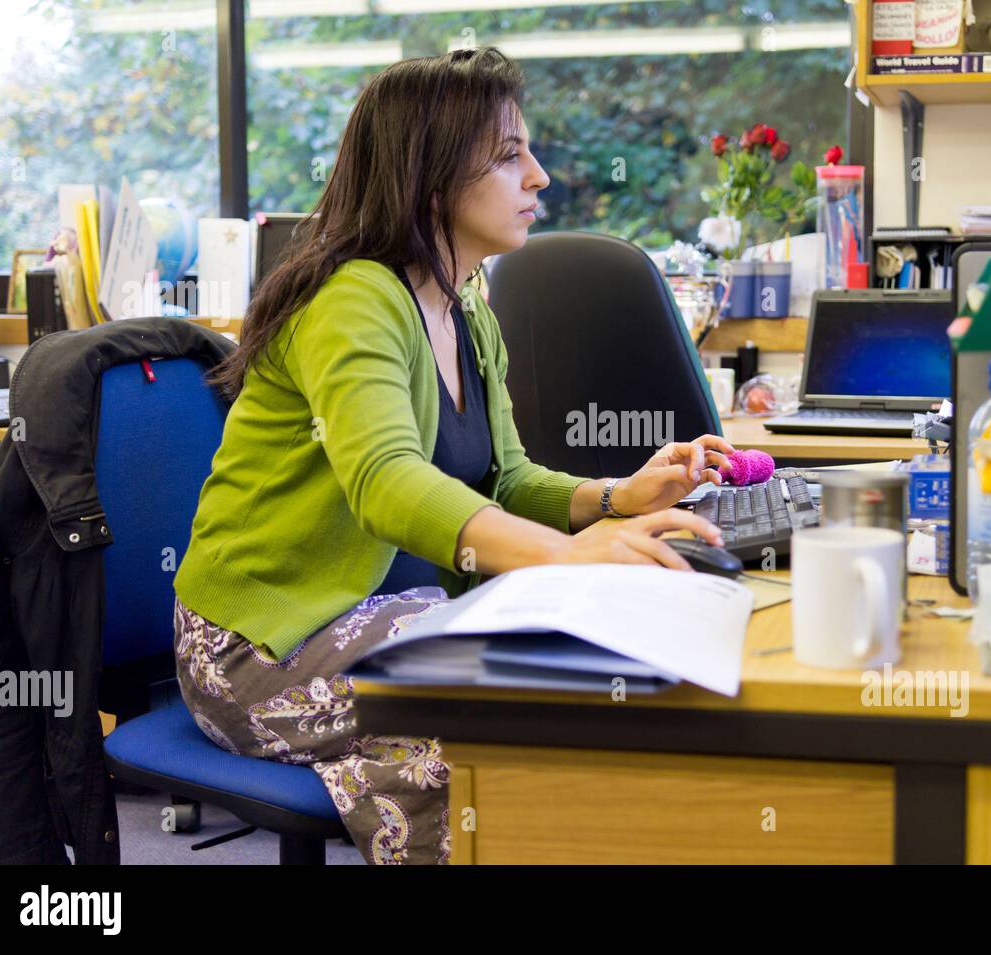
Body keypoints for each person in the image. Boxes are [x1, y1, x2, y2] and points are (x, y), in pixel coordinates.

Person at [172, 47, 733, 865]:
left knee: (524, 697)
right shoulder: (355, 298)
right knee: (499, 709)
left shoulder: (469, 311)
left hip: (371, 620)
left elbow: (506, 478)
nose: (538, 176)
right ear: (431, 177)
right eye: (510, 156)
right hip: (255, 648)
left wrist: (619, 495)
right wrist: (568, 559)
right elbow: (385, 484)